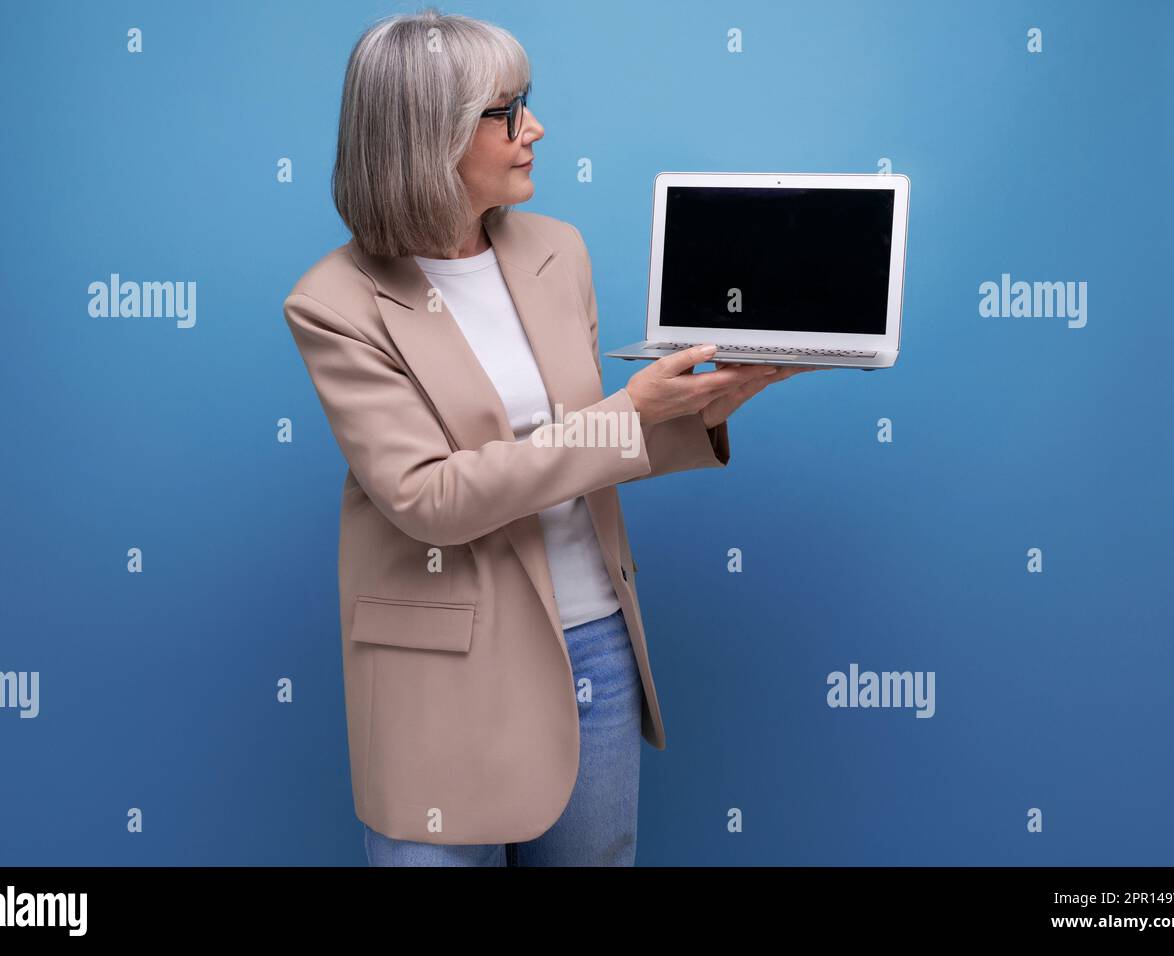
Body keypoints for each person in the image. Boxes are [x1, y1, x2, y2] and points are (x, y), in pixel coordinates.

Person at [282, 8, 824, 866]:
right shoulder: (333, 304)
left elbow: (583, 451)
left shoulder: (556, 250)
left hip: (595, 644)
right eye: (506, 112)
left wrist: (708, 407)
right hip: (442, 669)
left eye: (524, 104)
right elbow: (431, 498)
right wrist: (631, 412)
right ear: (429, 133)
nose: (534, 128)